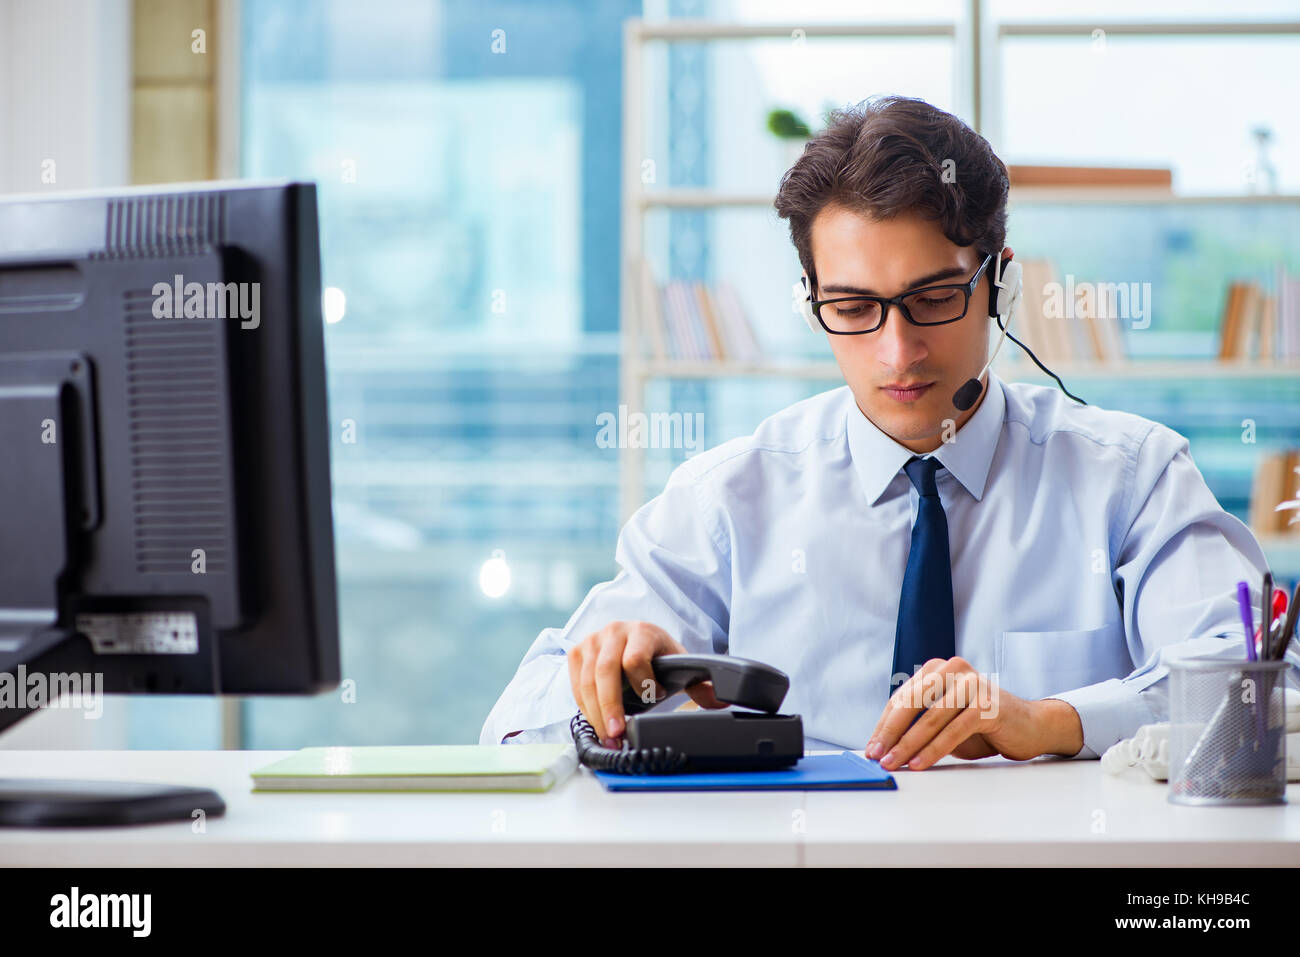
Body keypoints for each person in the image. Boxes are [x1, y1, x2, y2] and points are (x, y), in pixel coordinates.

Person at [480, 94, 1277, 771]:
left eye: (933, 298)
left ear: (997, 280)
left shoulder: (1132, 477)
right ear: (814, 298)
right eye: (854, 308)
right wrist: (606, 688)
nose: (899, 353)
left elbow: (1260, 691)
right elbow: (514, 728)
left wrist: (1050, 720)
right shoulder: (726, 499)